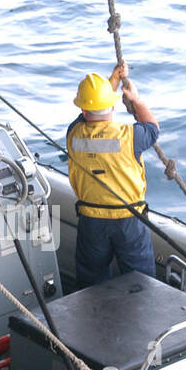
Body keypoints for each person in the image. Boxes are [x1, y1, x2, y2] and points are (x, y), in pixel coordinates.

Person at [65, 63, 160, 288]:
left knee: (91, 281)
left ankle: (93, 318)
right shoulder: (130, 137)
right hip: (129, 220)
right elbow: (153, 128)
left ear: (84, 110)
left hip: (92, 221)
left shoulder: (73, 134)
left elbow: (88, 113)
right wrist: (136, 100)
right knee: (142, 282)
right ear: (113, 106)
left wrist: (112, 84)